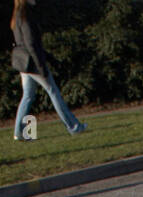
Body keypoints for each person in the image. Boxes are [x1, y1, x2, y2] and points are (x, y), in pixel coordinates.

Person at [11, 0, 87, 139]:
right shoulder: (26, 17)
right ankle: (73, 127)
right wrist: (41, 67)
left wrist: (50, 59)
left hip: (24, 64)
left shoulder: (17, 17)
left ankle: (19, 132)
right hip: (33, 63)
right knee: (53, 92)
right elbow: (32, 45)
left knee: (28, 96)